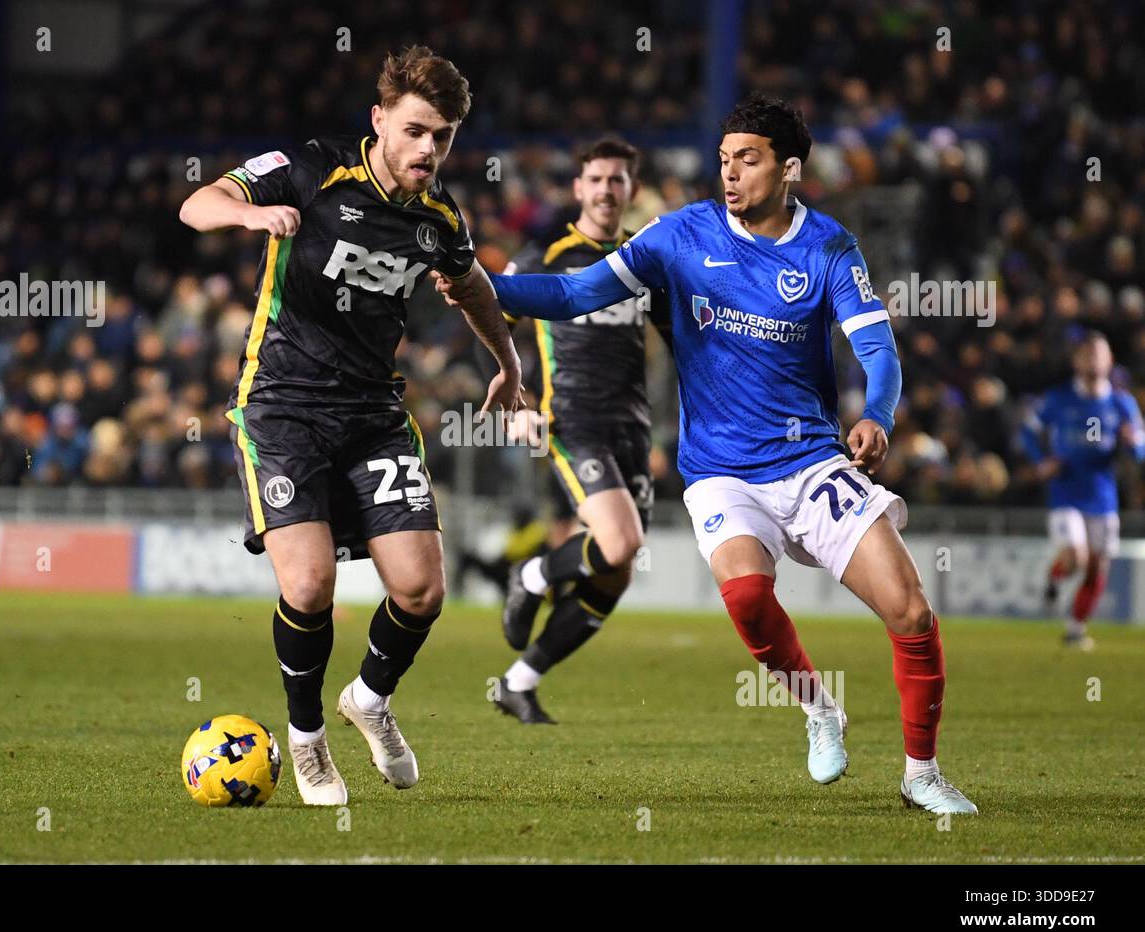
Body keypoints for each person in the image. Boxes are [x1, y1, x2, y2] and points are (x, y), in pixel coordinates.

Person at [442, 94, 978, 815]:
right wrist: (483, 284)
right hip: (721, 471)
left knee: (911, 610)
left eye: (747, 160)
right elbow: (573, 293)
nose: (729, 175)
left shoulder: (828, 247)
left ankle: (921, 774)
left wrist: (876, 414)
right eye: (724, 160)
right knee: (752, 600)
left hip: (813, 461)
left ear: (789, 168)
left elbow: (877, 348)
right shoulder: (678, 236)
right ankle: (821, 710)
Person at [179, 46, 522, 805]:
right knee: (308, 585)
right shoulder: (309, 169)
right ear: (379, 123)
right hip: (283, 405)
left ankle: (369, 697)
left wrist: (510, 362)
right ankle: (305, 743)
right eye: (416, 131)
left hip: (373, 414)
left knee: (422, 589)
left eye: (444, 135)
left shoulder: (437, 217)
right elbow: (195, 204)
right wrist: (249, 212)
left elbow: (472, 286)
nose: (430, 149)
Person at [496, 137, 671, 724]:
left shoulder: (641, 260)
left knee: (614, 573)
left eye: (617, 180)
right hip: (570, 421)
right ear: (578, 188)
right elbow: (489, 324)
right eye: (595, 179)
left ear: (632, 190)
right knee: (621, 544)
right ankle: (535, 572)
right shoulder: (546, 255)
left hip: (633, 429)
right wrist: (516, 402)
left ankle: (519, 682)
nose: (605, 190)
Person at [1022, 331, 1145, 650]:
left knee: (1097, 565)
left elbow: (1140, 448)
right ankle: (1055, 576)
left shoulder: (1122, 403)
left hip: (1103, 494)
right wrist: (1041, 461)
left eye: (1098, 355)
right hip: (1066, 491)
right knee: (1076, 555)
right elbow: (1028, 430)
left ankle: (1076, 629)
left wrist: (1134, 445)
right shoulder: (1059, 398)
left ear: (1110, 361)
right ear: (1077, 361)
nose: (1093, 360)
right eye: (1087, 355)